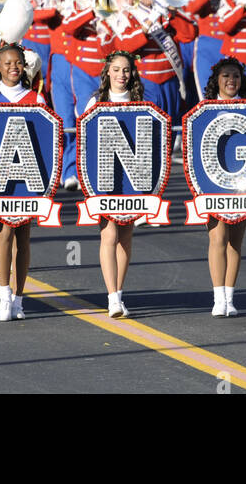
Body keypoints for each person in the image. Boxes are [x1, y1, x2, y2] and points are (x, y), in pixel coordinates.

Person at [0, 43, 45, 322]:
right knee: (3, 233)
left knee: (24, 238)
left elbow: (47, 140)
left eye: (18, 63)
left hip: (28, 178)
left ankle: (19, 298)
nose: (13, 68)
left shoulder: (36, 99)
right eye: (7, 63)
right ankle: (3, 296)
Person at [84, 52, 145, 318]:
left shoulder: (140, 102)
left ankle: (119, 293)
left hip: (132, 177)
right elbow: (86, 139)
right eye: (117, 70)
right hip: (104, 177)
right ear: (107, 72)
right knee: (109, 234)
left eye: (127, 70)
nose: (122, 75)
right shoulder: (96, 101)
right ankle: (111, 297)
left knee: (126, 236)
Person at [202, 58, 246, 317]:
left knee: (235, 242)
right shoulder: (204, 110)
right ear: (217, 81)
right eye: (226, 76)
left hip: (243, 184)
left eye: (236, 75)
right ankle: (217, 297)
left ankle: (230, 298)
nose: (231, 80)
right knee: (217, 238)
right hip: (213, 183)